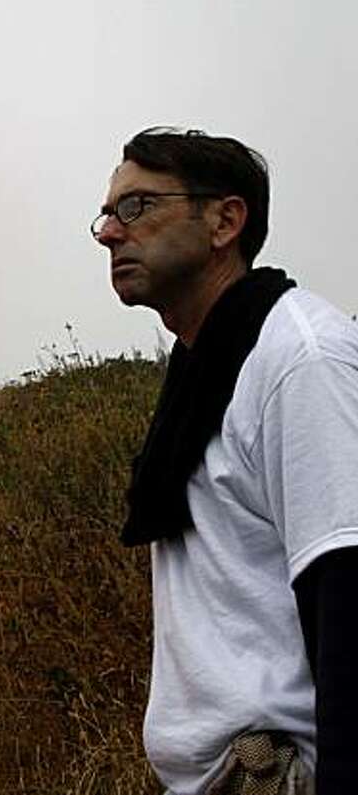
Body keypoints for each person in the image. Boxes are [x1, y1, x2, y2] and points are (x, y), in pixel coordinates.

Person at [92, 127, 358, 795]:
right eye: (106, 212)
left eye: (137, 206)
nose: (108, 231)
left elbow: (347, 586)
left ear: (225, 220)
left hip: (274, 774)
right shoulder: (204, 365)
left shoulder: (300, 359)